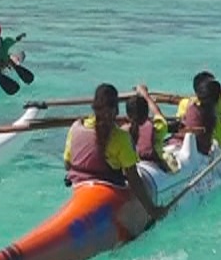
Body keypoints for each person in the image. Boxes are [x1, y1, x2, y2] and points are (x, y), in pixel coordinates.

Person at [63, 83, 163, 234]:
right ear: (116, 110)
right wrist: (152, 210)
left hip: (78, 187)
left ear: (94, 107)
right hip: (110, 197)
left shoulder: (76, 127)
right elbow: (134, 179)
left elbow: (67, 164)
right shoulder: (121, 138)